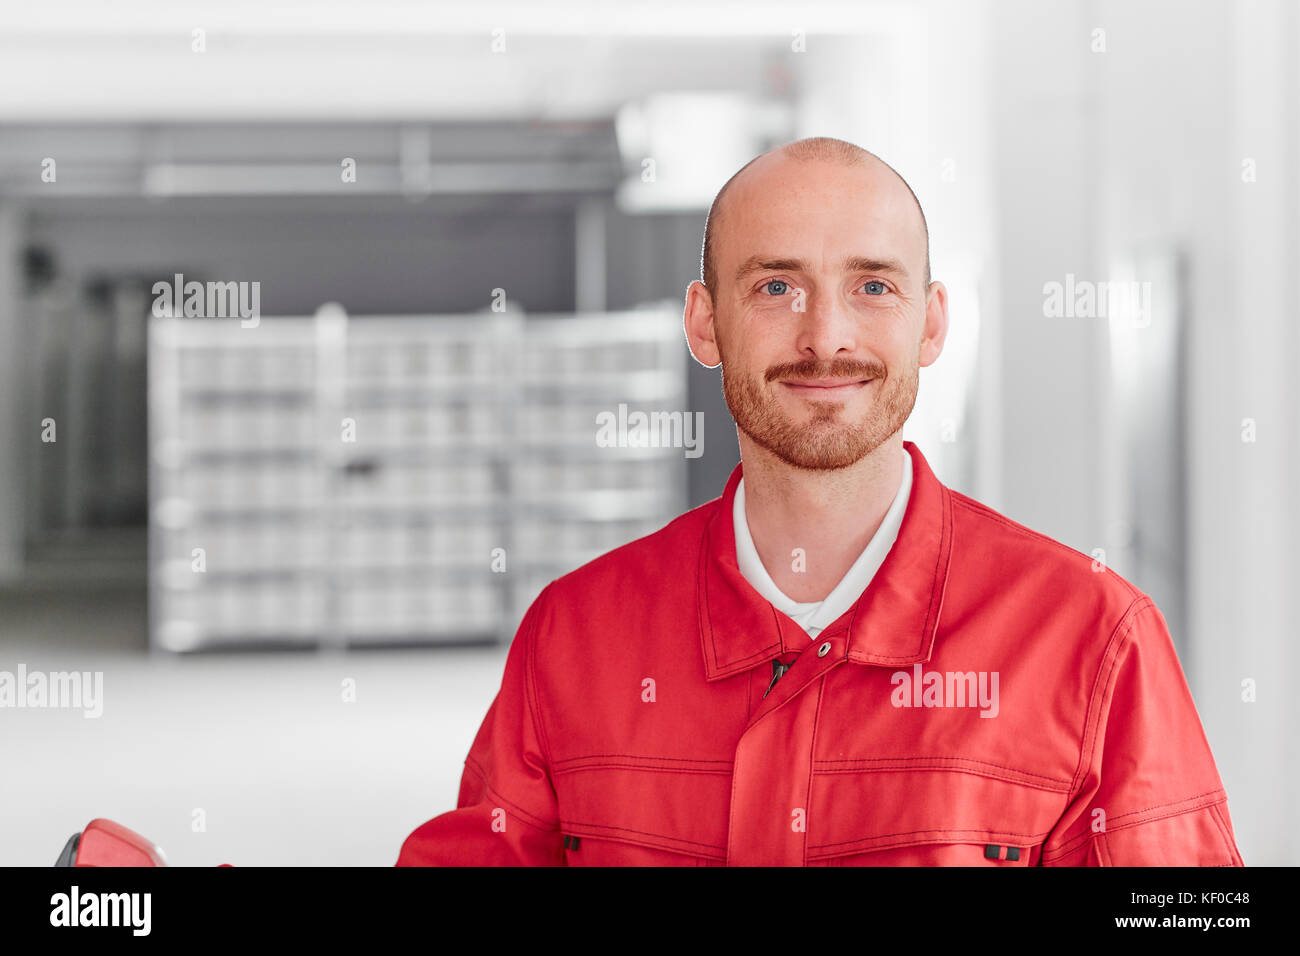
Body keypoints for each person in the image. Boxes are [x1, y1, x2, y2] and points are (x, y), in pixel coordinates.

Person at [396, 136, 1243, 866]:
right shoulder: (577, 635)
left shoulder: (1090, 640)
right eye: (775, 287)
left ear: (931, 323)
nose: (825, 336)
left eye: (873, 287)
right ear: (704, 323)